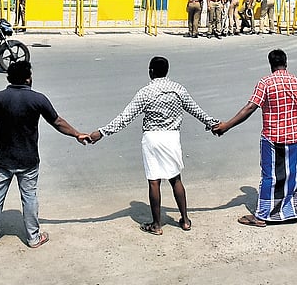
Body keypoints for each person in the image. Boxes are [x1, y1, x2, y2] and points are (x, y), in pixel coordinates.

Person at [0, 61, 90, 248]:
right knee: (29, 197)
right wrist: (77, 134)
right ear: (29, 78)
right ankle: (33, 238)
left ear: (9, 78)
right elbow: (58, 122)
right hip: (28, 160)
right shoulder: (38, 99)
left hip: (3, 159)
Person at [86, 56, 219, 234]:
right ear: (167, 71)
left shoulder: (145, 92)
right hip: (172, 138)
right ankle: (185, 220)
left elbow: (125, 117)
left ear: (151, 71)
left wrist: (101, 132)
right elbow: (196, 110)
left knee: (154, 181)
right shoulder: (178, 89)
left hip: (152, 138)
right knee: (176, 179)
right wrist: (213, 124)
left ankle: (157, 225)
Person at [212, 49, 297, 227]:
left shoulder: (265, 83)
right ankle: (290, 211)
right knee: (292, 175)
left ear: (270, 64)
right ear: (286, 63)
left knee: (269, 176)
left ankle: (262, 216)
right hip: (292, 138)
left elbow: (250, 107)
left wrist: (227, 125)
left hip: (272, 137)